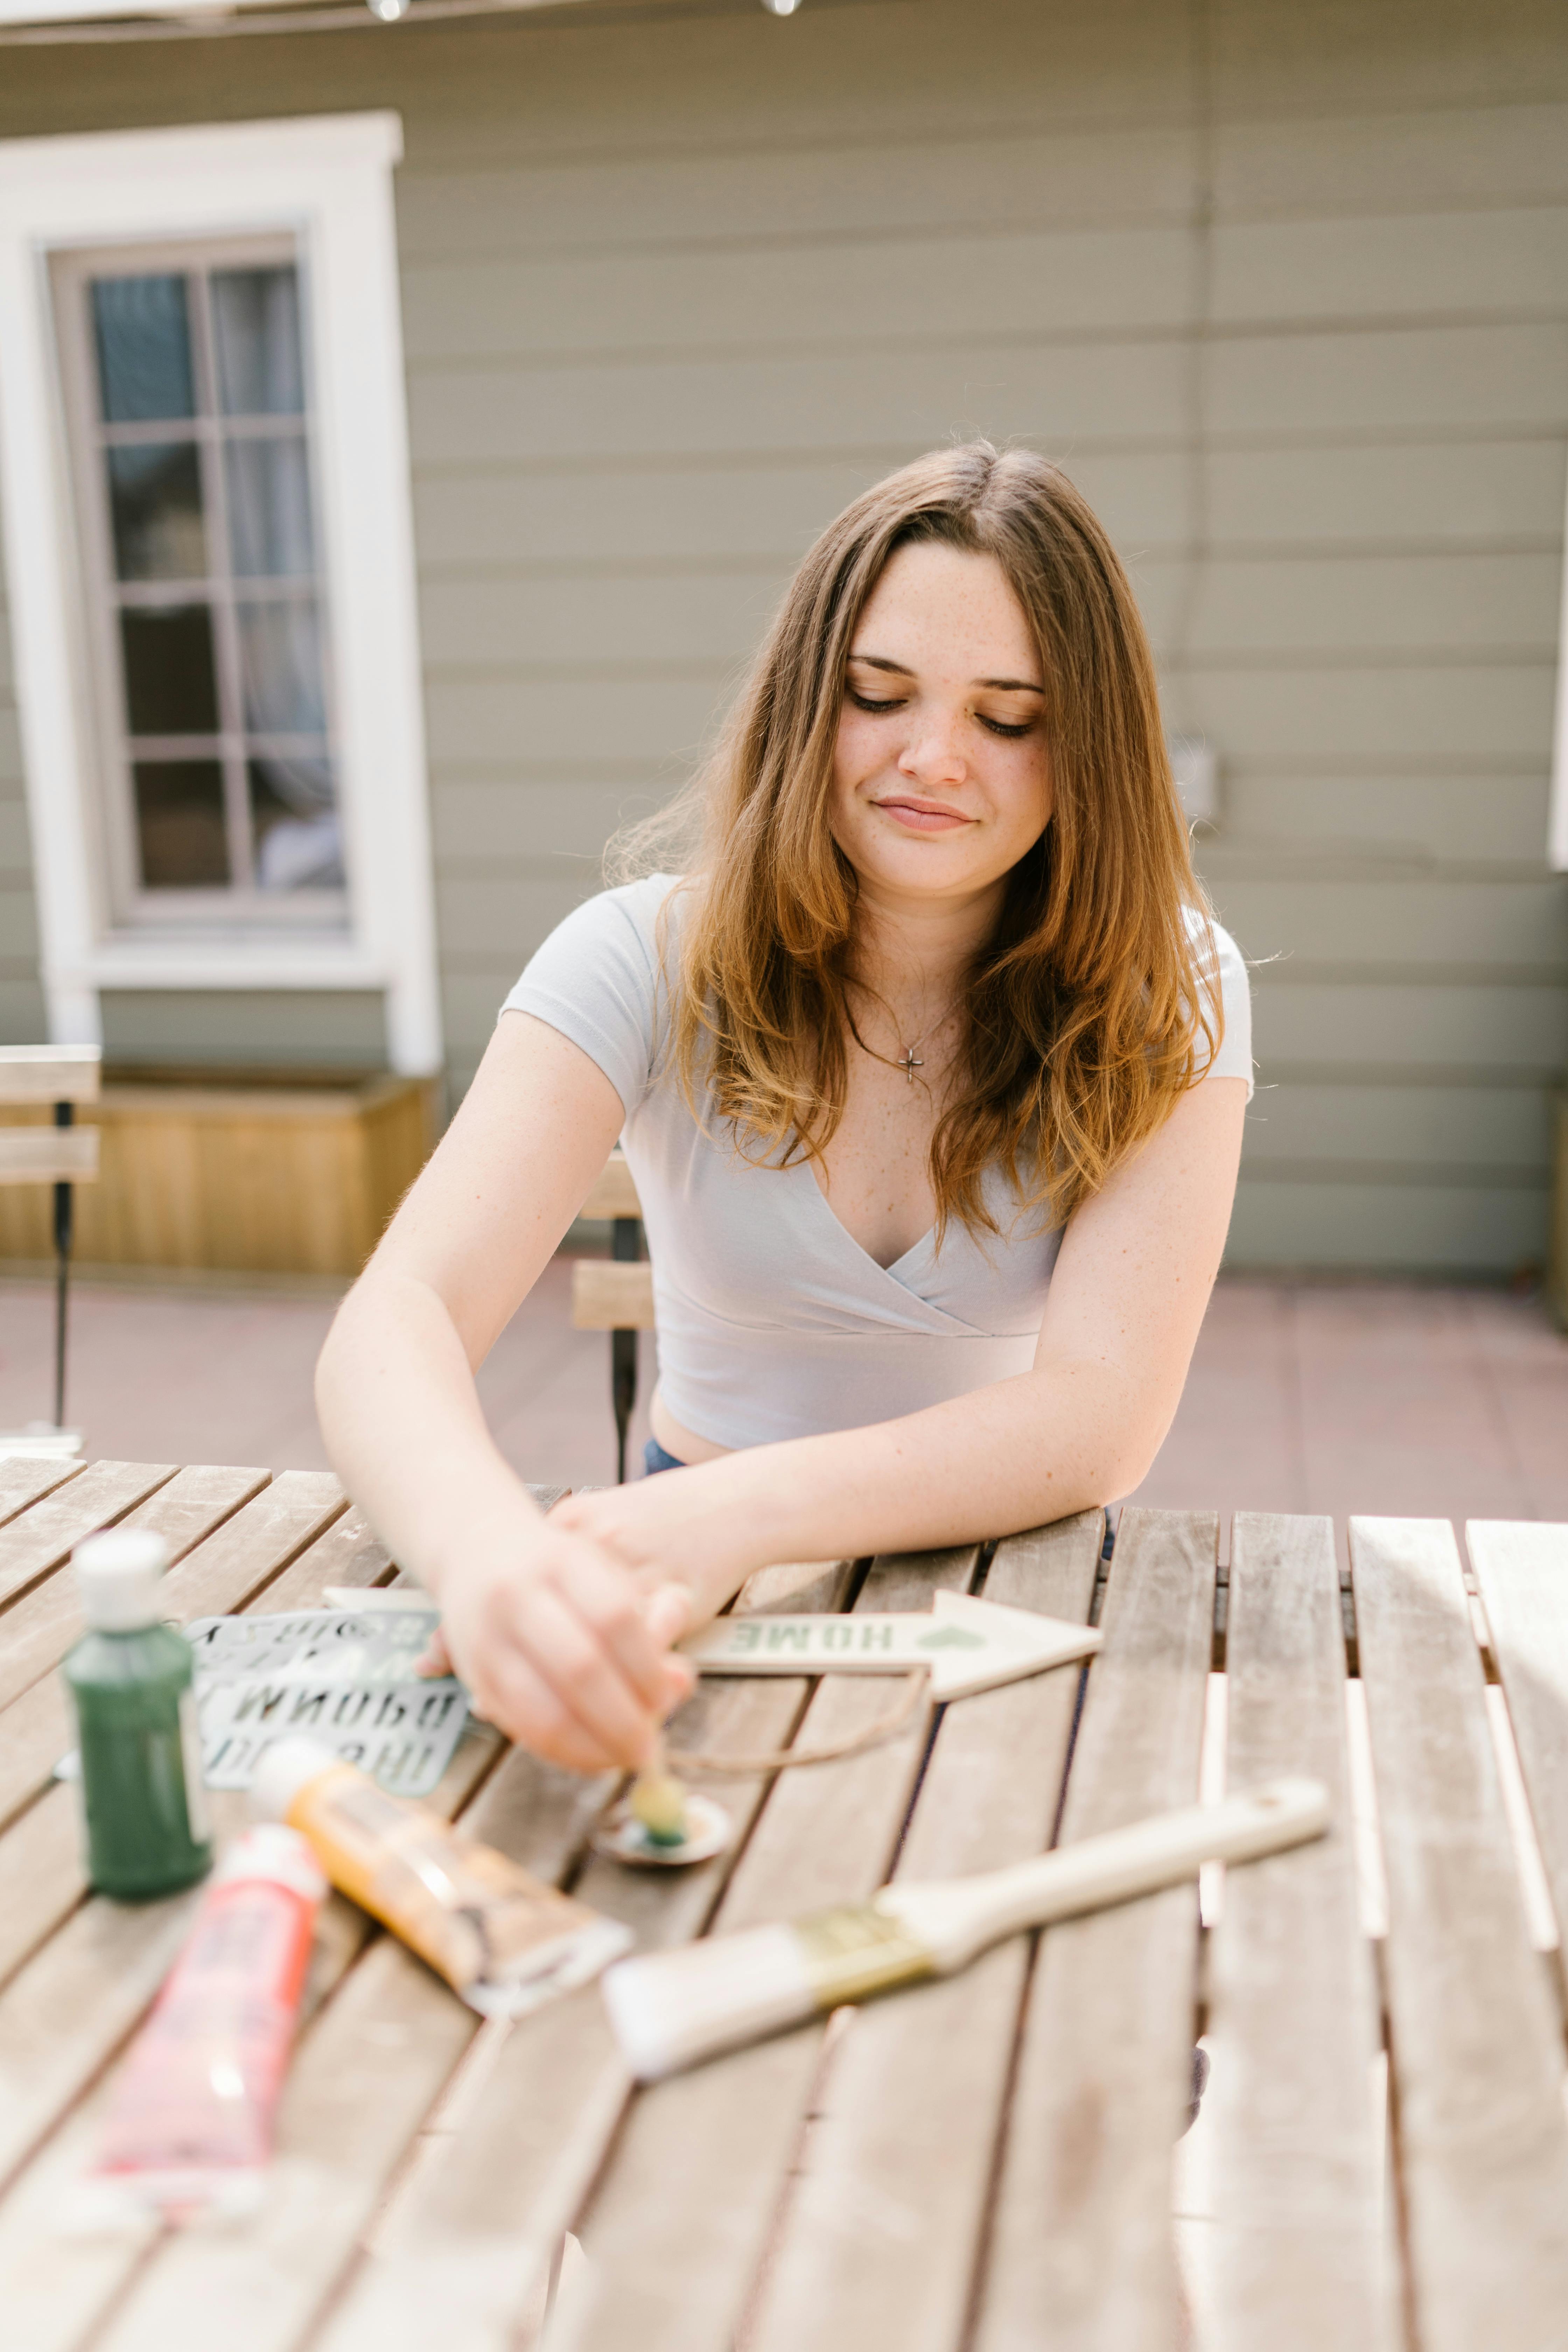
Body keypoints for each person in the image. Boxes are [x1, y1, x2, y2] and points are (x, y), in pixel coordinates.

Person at [315, 443, 1251, 1778]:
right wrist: (485, 1557)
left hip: (1019, 1591)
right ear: (807, 698)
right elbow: (395, 1319)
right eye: (881, 695)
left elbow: (1101, 1417)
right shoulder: (637, 953)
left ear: (1087, 746)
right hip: (693, 1578)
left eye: (1008, 717)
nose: (934, 759)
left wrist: (736, 1513)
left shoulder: (1180, 983)